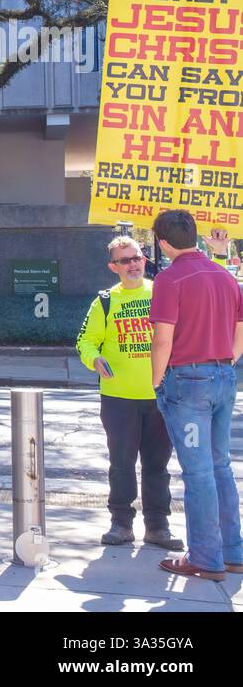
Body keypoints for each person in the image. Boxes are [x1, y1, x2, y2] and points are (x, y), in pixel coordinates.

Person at [148, 210, 243, 580]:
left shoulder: (170, 279)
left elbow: (162, 339)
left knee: (198, 472)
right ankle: (233, 551)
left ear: (162, 242)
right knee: (220, 466)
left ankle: (204, 557)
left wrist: (157, 381)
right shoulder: (224, 276)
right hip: (224, 374)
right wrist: (225, 362)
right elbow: (240, 331)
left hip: (187, 381)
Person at [75, 235, 181, 550]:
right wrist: (94, 358)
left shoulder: (162, 291)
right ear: (113, 266)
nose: (133, 264)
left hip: (160, 395)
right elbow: (85, 341)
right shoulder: (104, 301)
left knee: (157, 466)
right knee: (121, 463)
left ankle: (158, 527)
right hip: (119, 398)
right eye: (125, 260)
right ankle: (121, 523)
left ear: (144, 259)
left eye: (137, 257)